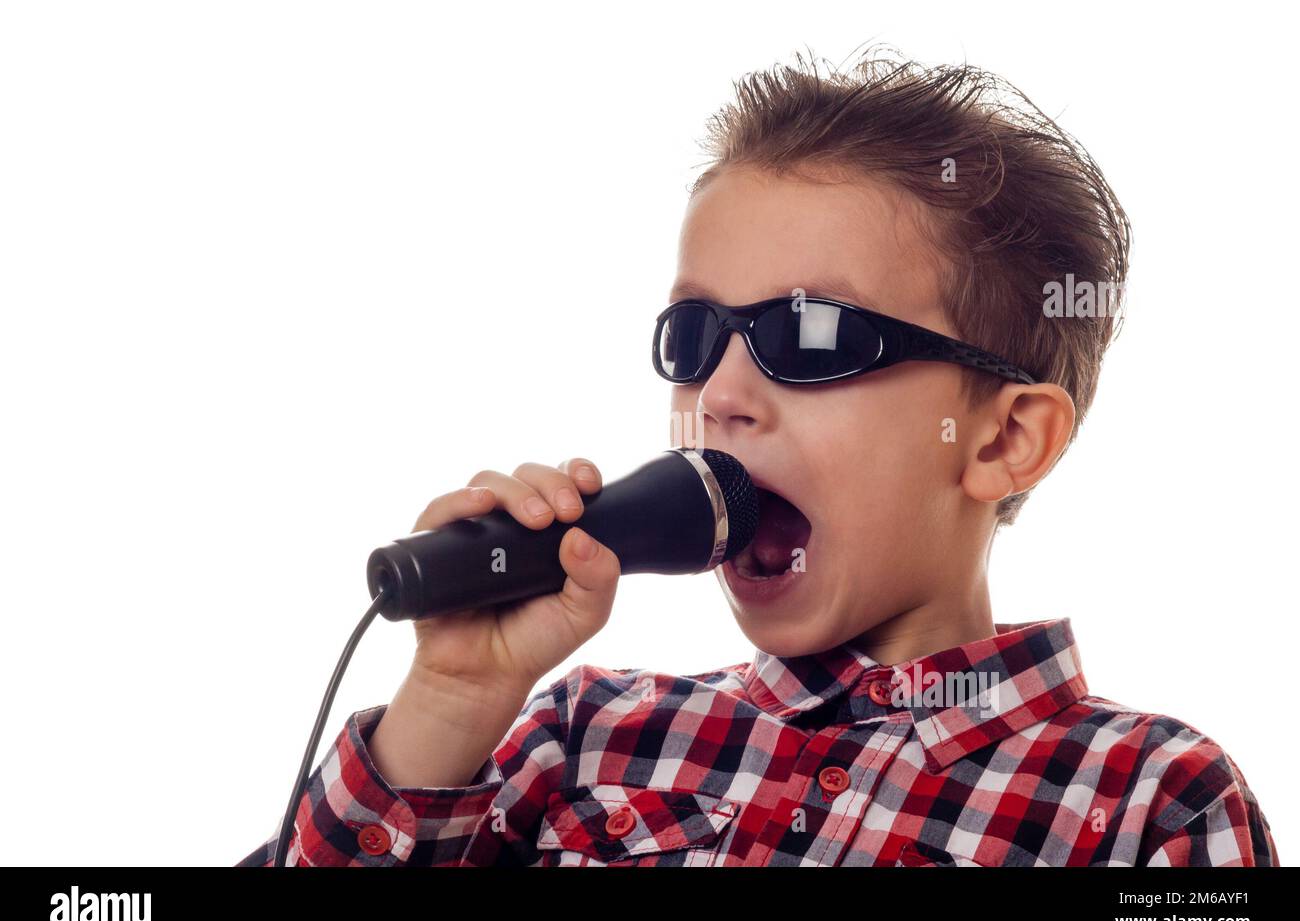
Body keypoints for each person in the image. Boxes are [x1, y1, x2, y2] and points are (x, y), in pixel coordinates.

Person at [238, 48, 1278, 867]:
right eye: (694, 340)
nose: (720, 397)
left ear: (1002, 439)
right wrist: (453, 704)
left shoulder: (1148, 796)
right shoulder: (578, 735)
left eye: (809, 337)